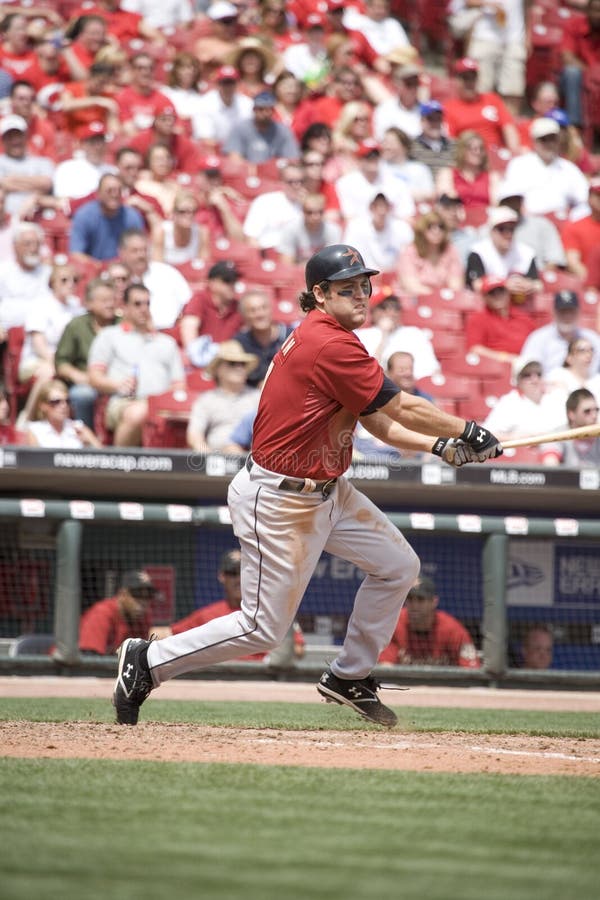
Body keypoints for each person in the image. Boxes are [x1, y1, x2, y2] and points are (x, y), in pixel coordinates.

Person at [111, 242, 502, 727]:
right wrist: (464, 429)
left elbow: (375, 420)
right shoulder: (328, 342)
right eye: (347, 288)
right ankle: (147, 661)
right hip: (279, 497)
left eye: (365, 285)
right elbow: (398, 405)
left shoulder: (336, 337)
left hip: (328, 490)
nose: (361, 294)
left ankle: (349, 675)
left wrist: (438, 447)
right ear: (319, 293)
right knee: (262, 630)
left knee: (398, 566)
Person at [153, 549, 305, 667]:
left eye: (243, 572)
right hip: (222, 679)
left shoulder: (269, 612)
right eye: (232, 573)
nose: (238, 579)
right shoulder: (207, 614)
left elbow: (298, 649)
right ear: (222, 576)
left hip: (262, 678)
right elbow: (165, 634)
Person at [88, 282, 185, 446]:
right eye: (137, 303)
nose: (144, 308)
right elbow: (94, 377)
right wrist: (117, 384)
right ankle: (118, 465)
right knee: (138, 413)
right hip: (123, 402)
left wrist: (161, 400)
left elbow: (179, 385)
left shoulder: (166, 342)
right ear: (124, 306)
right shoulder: (110, 336)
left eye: (147, 303)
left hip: (161, 404)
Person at [17, 262, 84, 426]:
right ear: (52, 282)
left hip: (67, 362)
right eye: (64, 280)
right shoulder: (41, 304)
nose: (70, 284)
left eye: (74, 280)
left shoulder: (77, 307)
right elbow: (38, 342)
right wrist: (57, 361)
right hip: (38, 360)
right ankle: (27, 419)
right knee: (48, 372)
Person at [55, 276, 118, 428]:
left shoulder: (123, 325)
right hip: (87, 381)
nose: (110, 305)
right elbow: (61, 362)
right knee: (82, 395)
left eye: (112, 299)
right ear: (89, 303)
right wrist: (77, 375)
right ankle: (85, 440)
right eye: (104, 301)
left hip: (117, 382)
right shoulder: (77, 325)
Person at [379, 575, 481, 667]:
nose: (414, 605)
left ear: (434, 602)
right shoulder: (394, 624)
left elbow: (471, 669)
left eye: (420, 600)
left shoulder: (451, 629)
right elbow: (386, 667)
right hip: (404, 686)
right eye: (410, 599)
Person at [502, 118, 589, 219]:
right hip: (528, 222)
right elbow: (508, 198)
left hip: (562, 221)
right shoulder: (519, 165)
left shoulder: (569, 169)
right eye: (543, 140)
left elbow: (584, 199)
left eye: (552, 139)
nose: (549, 144)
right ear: (534, 142)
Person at [186, 339, 260, 453]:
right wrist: (209, 459)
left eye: (243, 364)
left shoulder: (258, 397)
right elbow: (195, 436)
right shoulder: (206, 400)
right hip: (215, 459)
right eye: (232, 363)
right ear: (218, 370)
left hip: (251, 460)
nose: (239, 368)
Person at [355, 288, 440, 378]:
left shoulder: (414, 333)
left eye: (396, 307)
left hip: (414, 387)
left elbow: (432, 368)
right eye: (384, 307)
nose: (391, 312)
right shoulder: (362, 336)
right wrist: (384, 335)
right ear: (373, 311)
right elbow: (368, 372)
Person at [117, 228, 191, 331]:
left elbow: (189, 303)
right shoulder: (115, 278)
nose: (141, 255)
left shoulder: (167, 273)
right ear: (122, 252)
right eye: (135, 251)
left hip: (169, 334)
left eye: (144, 250)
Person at [443, 57, 521, 154]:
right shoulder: (449, 108)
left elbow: (508, 127)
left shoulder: (492, 99)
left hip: (496, 153)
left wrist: (514, 150)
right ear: (457, 81)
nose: (470, 83)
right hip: (468, 156)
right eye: (465, 78)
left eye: (473, 78)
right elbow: (450, 140)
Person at [465, 206, 542, 304]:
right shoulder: (478, 252)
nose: (508, 234)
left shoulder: (526, 252)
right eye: (502, 229)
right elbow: (476, 284)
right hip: (487, 307)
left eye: (511, 229)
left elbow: (538, 284)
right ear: (492, 231)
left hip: (519, 306)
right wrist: (504, 285)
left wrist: (529, 285)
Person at [520, 290, 600, 375]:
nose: (567, 316)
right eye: (562, 311)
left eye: (571, 311)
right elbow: (528, 372)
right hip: (549, 386)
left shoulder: (592, 338)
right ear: (553, 312)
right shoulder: (538, 338)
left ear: (579, 312)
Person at [69, 173, 145, 263]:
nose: (115, 195)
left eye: (118, 191)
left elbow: (140, 249)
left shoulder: (132, 217)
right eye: (109, 191)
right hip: (94, 270)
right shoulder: (84, 216)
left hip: (125, 270)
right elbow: (76, 254)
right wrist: (100, 267)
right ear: (98, 194)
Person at [79, 569, 157, 656]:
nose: (143, 602)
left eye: (148, 596)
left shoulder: (143, 618)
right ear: (122, 594)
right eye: (137, 594)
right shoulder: (102, 614)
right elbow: (88, 657)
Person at [482, 358, 563, 440]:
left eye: (539, 374)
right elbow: (486, 435)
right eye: (527, 375)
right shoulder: (510, 402)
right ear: (517, 380)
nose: (535, 380)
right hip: (525, 449)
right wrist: (512, 438)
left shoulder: (554, 397)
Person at [179, 260, 243, 364]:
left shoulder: (238, 306)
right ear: (212, 283)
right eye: (227, 281)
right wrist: (197, 357)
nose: (232, 285)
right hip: (200, 359)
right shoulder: (200, 299)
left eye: (235, 281)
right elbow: (189, 331)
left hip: (226, 363)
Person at [496, 180, 567, 272]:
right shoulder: (489, 230)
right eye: (509, 201)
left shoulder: (541, 225)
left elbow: (554, 259)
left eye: (517, 200)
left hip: (536, 279)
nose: (513, 205)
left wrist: (537, 280)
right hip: (499, 279)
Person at [465, 275, 535, 363]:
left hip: (527, 363)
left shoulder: (523, 317)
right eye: (492, 293)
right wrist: (506, 358)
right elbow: (475, 349)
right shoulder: (478, 318)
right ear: (485, 297)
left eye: (501, 291)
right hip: (495, 366)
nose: (497, 296)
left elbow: (536, 341)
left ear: (508, 293)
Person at [233, 288, 294, 387]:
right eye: (252, 310)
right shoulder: (240, 343)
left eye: (264, 308)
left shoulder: (292, 337)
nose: (260, 314)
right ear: (244, 316)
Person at [397, 210, 464, 297]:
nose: (436, 231)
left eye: (441, 227)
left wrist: (442, 297)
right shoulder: (410, 251)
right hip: (416, 300)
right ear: (422, 229)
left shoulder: (450, 250)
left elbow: (456, 285)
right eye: (430, 226)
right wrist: (437, 296)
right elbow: (411, 286)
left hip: (444, 301)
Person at [436, 130, 501, 219]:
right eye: (473, 149)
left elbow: (496, 204)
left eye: (481, 149)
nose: (477, 152)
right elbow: (447, 203)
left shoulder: (492, 177)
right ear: (462, 150)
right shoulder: (448, 174)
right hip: (457, 220)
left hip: (485, 221)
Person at [0, 221, 50, 337]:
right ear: (15, 246)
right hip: (7, 334)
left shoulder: (48, 273)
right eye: (27, 244)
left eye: (37, 244)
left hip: (43, 333)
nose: (33, 248)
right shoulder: (3, 271)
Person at [343, 191, 413, 274]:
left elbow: (410, 256)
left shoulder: (402, 228)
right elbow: (348, 257)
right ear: (370, 207)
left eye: (385, 206)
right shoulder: (356, 227)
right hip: (367, 277)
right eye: (376, 206)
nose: (381, 211)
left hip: (396, 278)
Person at [223, 90, 300, 164]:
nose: (265, 113)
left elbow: (292, 158)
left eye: (269, 109)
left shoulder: (282, 130)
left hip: (274, 173)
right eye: (261, 109)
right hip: (246, 173)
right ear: (254, 109)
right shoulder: (240, 128)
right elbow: (234, 158)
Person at [242, 161, 305, 251]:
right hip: (270, 252)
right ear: (281, 182)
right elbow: (250, 238)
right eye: (291, 182)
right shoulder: (265, 202)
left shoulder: (307, 205)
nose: (296, 185)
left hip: (299, 254)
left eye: (300, 181)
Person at [0, 112, 53, 215]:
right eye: (10, 137)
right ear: (3, 140)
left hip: (38, 216)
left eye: (18, 136)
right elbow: (3, 184)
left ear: (26, 137)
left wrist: (12, 180)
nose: (15, 141)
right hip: (5, 220)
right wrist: (35, 183)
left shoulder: (42, 162)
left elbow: (46, 184)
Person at [25, 377, 101, 448]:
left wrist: (89, 444)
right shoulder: (35, 430)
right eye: (56, 402)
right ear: (43, 406)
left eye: (67, 401)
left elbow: (104, 456)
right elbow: (33, 459)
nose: (63, 405)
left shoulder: (79, 428)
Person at [190, 64, 253, 149]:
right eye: (224, 83)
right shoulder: (204, 103)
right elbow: (205, 138)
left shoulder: (247, 103)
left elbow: (251, 134)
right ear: (217, 84)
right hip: (212, 150)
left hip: (240, 149)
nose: (228, 87)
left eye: (231, 83)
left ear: (237, 84)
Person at [560, 0, 600, 130]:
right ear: (587, 11)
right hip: (580, 77)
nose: (598, 15)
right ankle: (575, 127)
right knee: (572, 73)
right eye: (595, 10)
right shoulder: (574, 25)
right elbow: (567, 57)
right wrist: (591, 73)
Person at [276, 192, 342, 264]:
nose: (315, 217)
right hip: (296, 272)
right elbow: (286, 263)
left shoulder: (333, 230)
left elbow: (333, 262)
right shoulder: (290, 229)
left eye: (320, 212)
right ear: (303, 212)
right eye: (310, 212)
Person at [542, 387, 600, 467]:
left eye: (596, 410)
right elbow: (550, 467)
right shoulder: (557, 436)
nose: (594, 416)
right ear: (571, 414)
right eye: (587, 411)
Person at [151, 189, 210, 266]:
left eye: (193, 211)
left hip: (191, 276)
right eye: (182, 211)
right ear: (174, 213)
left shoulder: (201, 233)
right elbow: (157, 267)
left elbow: (203, 265)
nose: (189, 215)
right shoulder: (161, 232)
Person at [379, 126, 434, 202]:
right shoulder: (378, 168)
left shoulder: (419, 169)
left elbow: (429, 194)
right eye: (384, 142)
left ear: (404, 146)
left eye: (390, 143)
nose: (385, 146)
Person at [561, 177, 600, 284]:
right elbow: (573, 263)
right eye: (598, 195)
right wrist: (593, 282)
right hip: (589, 287)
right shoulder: (575, 227)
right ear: (589, 198)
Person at [545, 338, 600, 407]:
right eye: (582, 350)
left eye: (591, 350)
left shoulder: (597, 380)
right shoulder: (557, 375)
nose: (588, 355)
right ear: (569, 357)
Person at [410, 100, 455, 176]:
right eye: (431, 119)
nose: (435, 123)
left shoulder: (454, 145)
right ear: (422, 121)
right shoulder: (411, 146)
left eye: (438, 119)